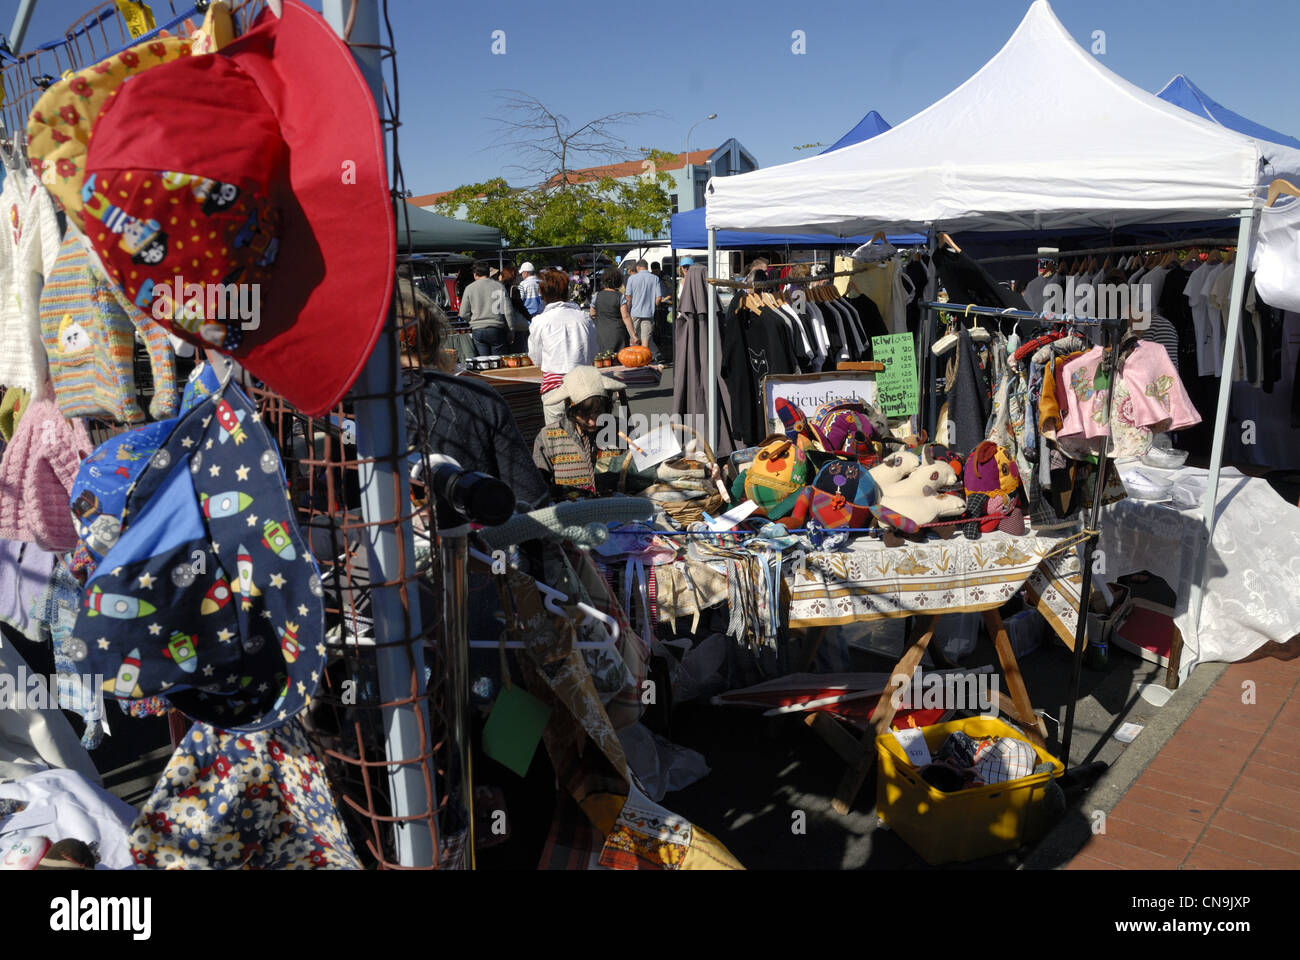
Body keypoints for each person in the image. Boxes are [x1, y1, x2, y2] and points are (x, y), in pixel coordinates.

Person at [397, 274, 550, 511]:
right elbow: (531, 500)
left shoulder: (348, 411)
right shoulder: (477, 396)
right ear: (434, 335)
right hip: (482, 540)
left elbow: (464, 314)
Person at [528, 269, 597, 422]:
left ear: (543, 294)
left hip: (555, 390)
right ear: (567, 291)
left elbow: (536, 358)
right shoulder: (584, 318)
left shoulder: (540, 321)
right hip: (584, 386)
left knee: (556, 439)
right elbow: (593, 352)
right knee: (586, 435)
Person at [459, 261, 510, 357]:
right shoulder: (499, 286)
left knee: (483, 363)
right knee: (498, 363)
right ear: (488, 273)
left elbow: (463, 313)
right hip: (497, 329)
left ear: (475, 274)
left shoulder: (469, 288)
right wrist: (511, 329)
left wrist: (473, 321)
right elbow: (508, 311)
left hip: (478, 330)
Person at [623, 259, 663, 363]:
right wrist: (653, 306)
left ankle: (633, 362)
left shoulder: (632, 278)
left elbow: (628, 297)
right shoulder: (655, 278)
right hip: (648, 314)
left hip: (634, 312)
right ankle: (643, 362)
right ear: (647, 266)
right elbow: (658, 298)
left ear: (637, 267)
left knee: (633, 339)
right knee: (646, 342)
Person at [590, 267, 634, 354]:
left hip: (601, 333)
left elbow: (592, 313)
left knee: (604, 359)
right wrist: (633, 335)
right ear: (618, 281)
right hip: (617, 333)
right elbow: (625, 316)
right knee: (619, 358)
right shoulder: (620, 296)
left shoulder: (597, 295)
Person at [498, 263, 530, 354]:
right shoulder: (513, 289)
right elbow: (520, 307)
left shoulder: (498, 288)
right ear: (513, 276)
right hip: (515, 325)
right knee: (518, 352)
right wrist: (530, 318)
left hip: (501, 324)